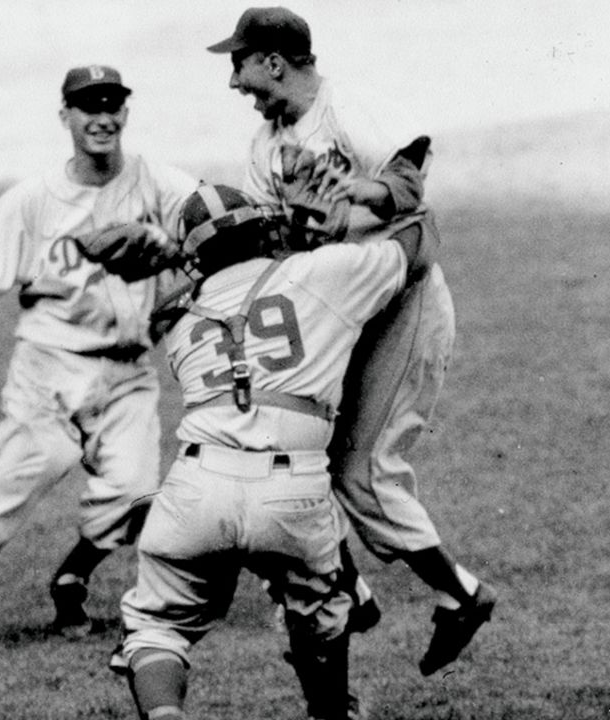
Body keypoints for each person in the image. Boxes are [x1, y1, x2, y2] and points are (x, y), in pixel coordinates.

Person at [206, 7, 497, 676]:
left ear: (273, 60)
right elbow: (273, 238)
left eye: (239, 64)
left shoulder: (347, 107)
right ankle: (352, 592)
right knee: (293, 453)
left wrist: (349, 195)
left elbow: (407, 183)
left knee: (363, 476)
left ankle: (464, 596)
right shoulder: (263, 145)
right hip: (340, 314)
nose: (234, 83)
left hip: (402, 305)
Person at [0, 65, 199, 661]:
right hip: (48, 367)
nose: (102, 116)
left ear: (126, 114)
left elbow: (208, 219)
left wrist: (174, 252)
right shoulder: (35, 198)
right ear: (66, 117)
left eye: (113, 104)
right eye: (88, 106)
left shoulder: (157, 182)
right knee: (20, 475)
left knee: (135, 494)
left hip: (128, 370)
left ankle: (72, 574)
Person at [103, 184, 439, 720]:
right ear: (265, 228)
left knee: (156, 627)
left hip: (197, 482)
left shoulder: (183, 323)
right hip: (292, 489)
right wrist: (391, 190)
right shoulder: (323, 273)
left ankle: (166, 715)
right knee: (320, 618)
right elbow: (419, 241)